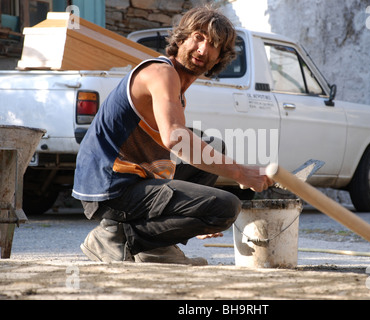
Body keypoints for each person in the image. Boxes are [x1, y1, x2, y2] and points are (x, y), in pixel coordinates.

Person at [72, 6, 273, 265]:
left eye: (214, 45)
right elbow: (176, 138)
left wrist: (192, 212)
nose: (203, 50)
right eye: (199, 37)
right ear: (180, 39)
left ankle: (155, 248)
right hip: (111, 189)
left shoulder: (178, 91)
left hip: (130, 184)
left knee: (214, 148)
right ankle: (115, 236)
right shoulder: (161, 72)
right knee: (226, 206)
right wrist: (240, 173)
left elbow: (170, 154)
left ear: (219, 58)